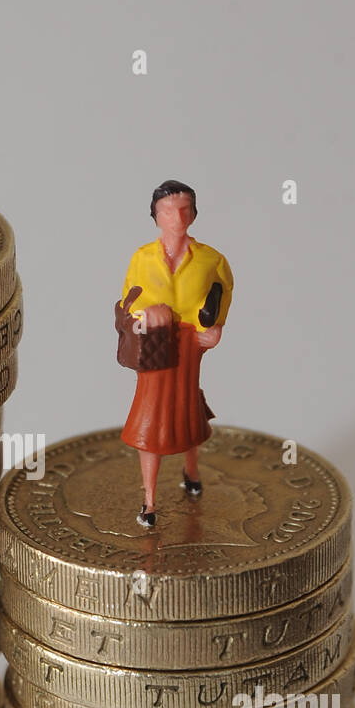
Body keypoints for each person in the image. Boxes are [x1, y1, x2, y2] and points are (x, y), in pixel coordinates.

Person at [119, 180, 234, 527]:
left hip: (189, 344)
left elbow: (224, 291)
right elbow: (128, 298)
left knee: (186, 405)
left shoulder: (212, 259)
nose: (177, 216)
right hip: (155, 345)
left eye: (184, 209)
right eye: (168, 210)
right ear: (155, 215)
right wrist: (145, 311)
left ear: (195, 214)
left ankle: (191, 467)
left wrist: (216, 326)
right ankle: (149, 501)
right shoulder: (142, 257)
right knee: (149, 415)